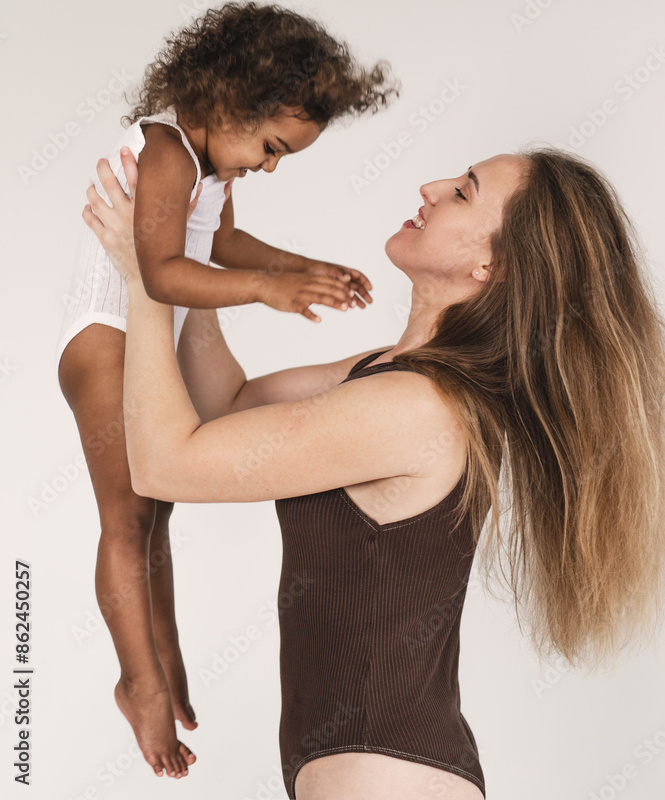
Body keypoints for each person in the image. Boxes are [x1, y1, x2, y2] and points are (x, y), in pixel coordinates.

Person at [82, 145, 665, 798]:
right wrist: (185, 242)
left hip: (385, 776)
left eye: (464, 192)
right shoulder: (388, 375)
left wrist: (148, 282)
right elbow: (226, 407)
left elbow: (166, 466)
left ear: (491, 264)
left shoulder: (417, 407)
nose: (432, 185)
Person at [56, 1, 397, 780]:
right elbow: (161, 271)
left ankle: (161, 650)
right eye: (271, 147)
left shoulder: (207, 163)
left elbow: (222, 242)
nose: (269, 166)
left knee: (158, 509)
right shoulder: (168, 149)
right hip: (103, 333)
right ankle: (136, 681)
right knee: (128, 515)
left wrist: (295, 267)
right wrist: (260, 292)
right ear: (227, 100)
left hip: (141, 337)